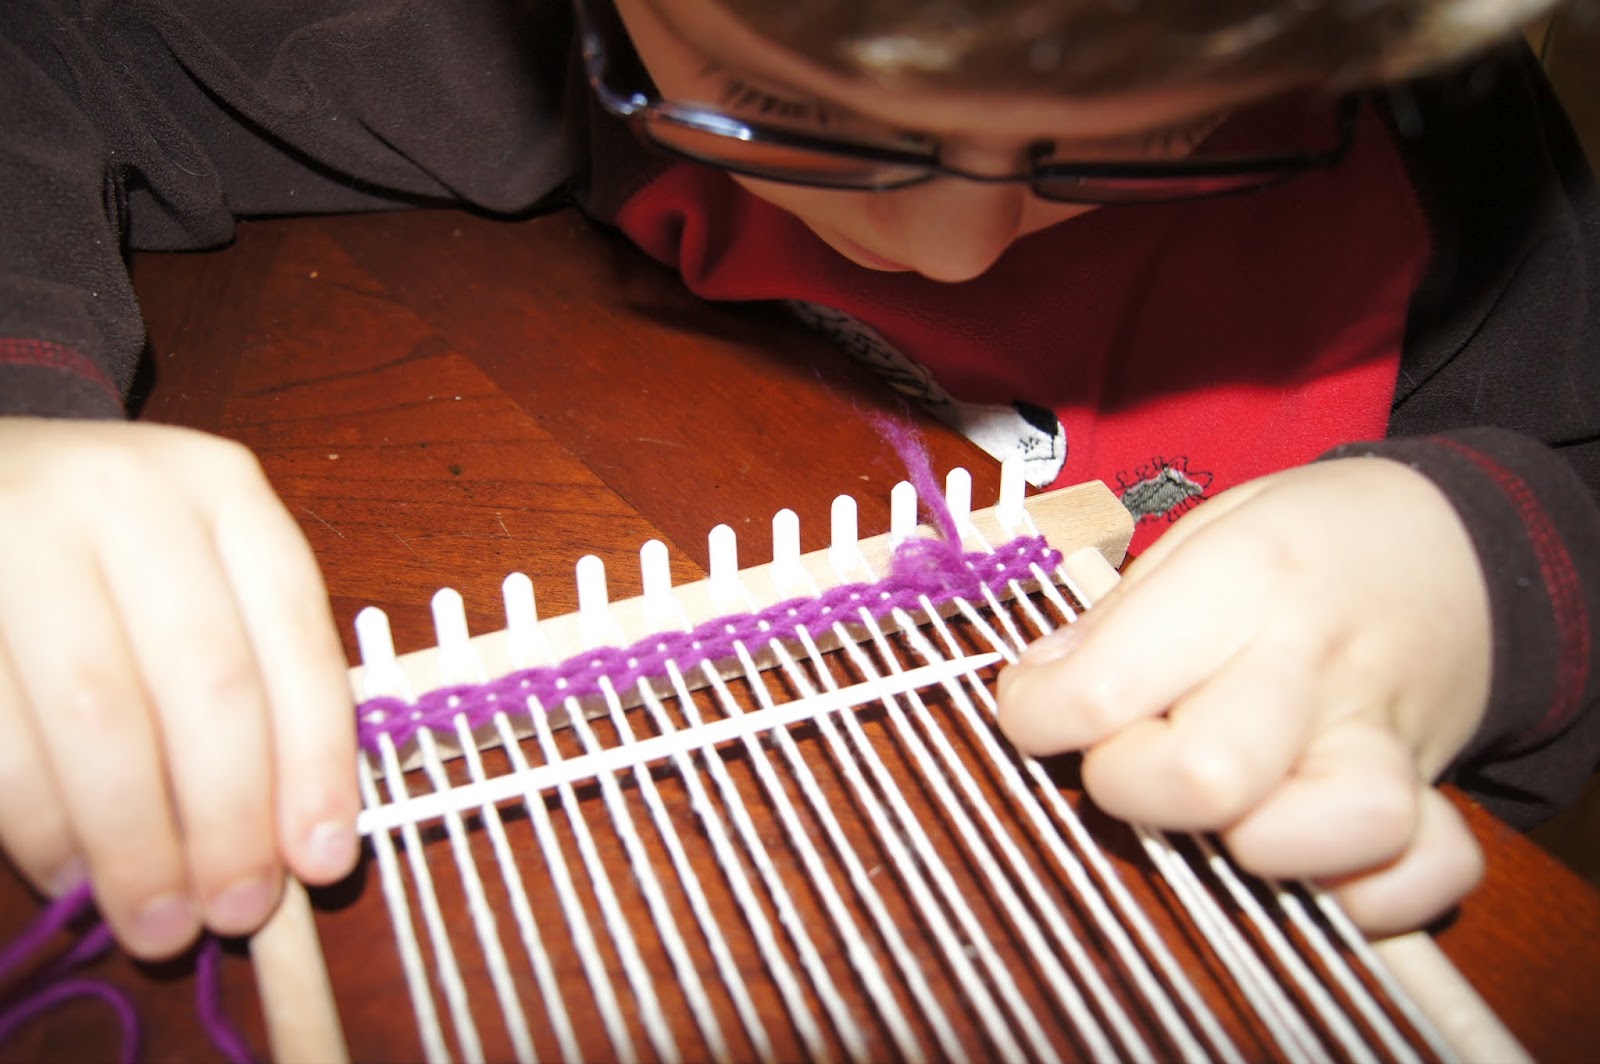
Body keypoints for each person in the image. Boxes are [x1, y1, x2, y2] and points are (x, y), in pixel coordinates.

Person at [2, 0, 1596, 961]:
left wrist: (1483, 570)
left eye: (1156, 134)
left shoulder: (1444, 167)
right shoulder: (482, 42)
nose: (950, 244)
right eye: (788, 108)